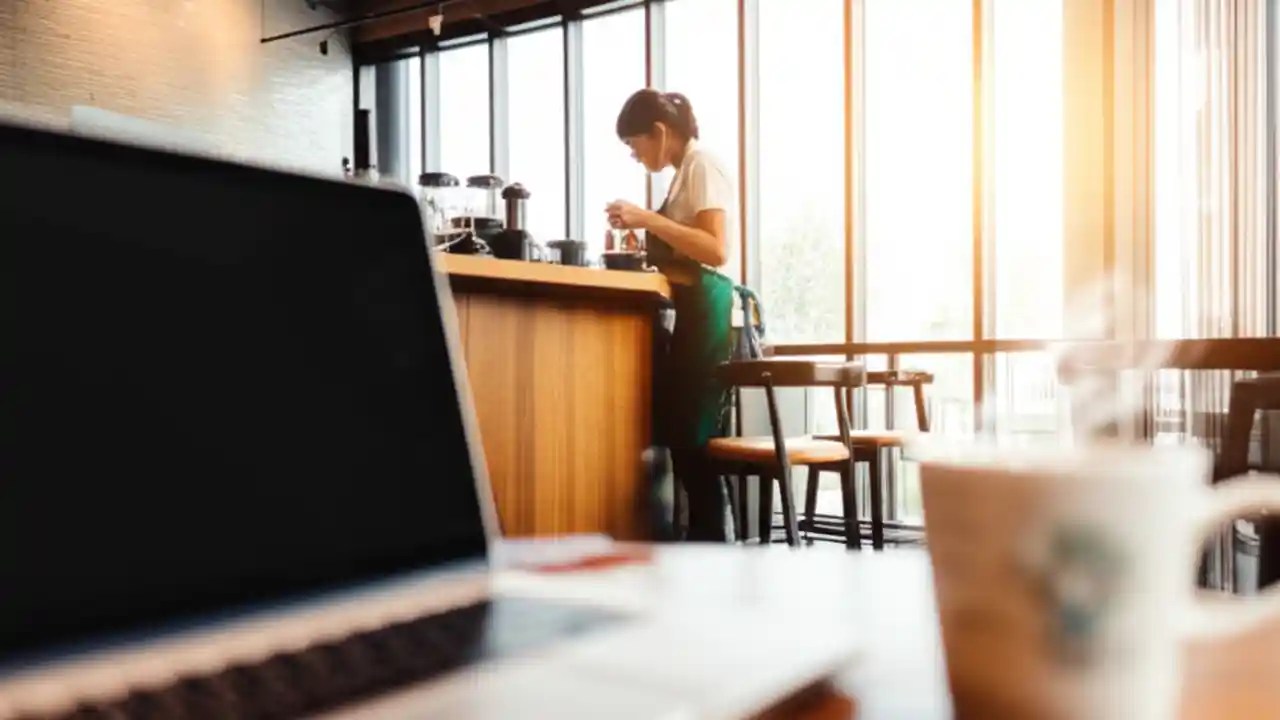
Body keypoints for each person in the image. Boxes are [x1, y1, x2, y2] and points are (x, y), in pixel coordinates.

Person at [607, 89, 736, 542]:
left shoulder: (702, 165)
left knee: (694, 440)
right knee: (683, 440)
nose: (635, 155)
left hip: (709, 314)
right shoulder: (684, 173)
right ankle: (701, 549)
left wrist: (649, 220)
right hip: (691, 313)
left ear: (660, 133)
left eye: (635, 144)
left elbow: (716, 251)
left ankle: (712, 552)